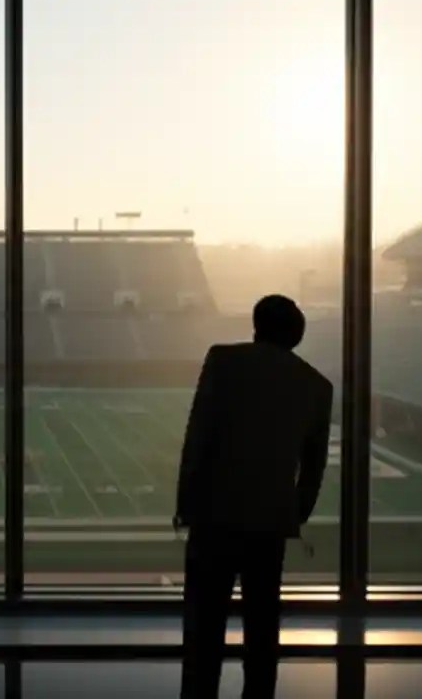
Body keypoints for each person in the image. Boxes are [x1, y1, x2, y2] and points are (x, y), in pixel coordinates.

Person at [176, 294, 333, 699]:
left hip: (216, 516)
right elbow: (313, 468)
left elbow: (199, 435)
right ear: (296, 334)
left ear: (256, 324)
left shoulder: (224, 361)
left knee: (204, 627)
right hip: (269, 523)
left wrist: (186, 502)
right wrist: (294, 514)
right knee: (262, 628)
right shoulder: (316, 385)